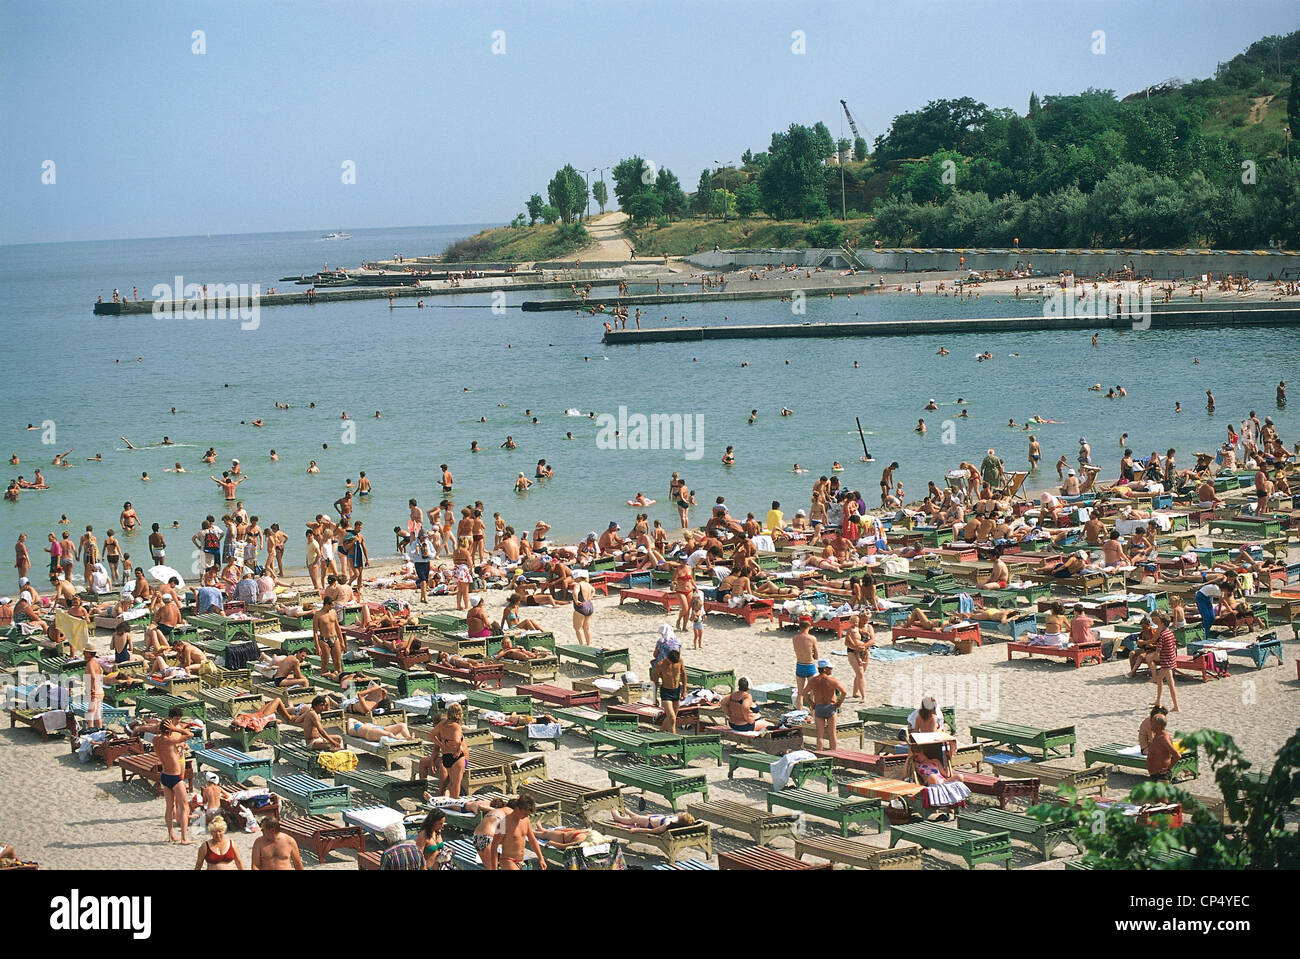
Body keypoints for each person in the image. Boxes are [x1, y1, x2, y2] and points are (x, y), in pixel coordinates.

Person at [420, 703, 467, 797]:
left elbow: (431, 736)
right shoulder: (456, 726)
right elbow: (457, 742)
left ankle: (441, 793)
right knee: (455, 784)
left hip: (455, 758)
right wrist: (433, 761)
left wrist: (442, 745)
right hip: (457, 757)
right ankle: (450, 799)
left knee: (446, 771)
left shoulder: (443, 726)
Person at [803, 660, 847, 749]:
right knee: (832, 734)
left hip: (819, 707)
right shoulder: (832, 680)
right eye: (830, 668)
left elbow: (804, 693)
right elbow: (844, 692)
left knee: (820, 735)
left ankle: (819, 754)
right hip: (830, 707)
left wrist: (811, 703)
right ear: (824, 669)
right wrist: (839, 703)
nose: (832, 669)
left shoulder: (813, 680)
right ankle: (834, 754)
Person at [498, 796, 546, 871]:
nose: (526, 816)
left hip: (520, 861)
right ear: (517, 809)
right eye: (524, 814)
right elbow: (494, 845)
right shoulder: (504, 823)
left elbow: (532, 840)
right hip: (507, 860)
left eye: (528, 814)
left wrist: (541, 858)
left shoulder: (526, 821)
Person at [1150, 609, 1179, 713]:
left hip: (1166, 661)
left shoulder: (1162, 635)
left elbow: (1158, 649)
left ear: (1162, 623)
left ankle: (1174, 706)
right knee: (1164, 681)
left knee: (1166, 682)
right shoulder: (1170, 632)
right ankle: (1159, 701)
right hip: (1171, 659)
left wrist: (1152, 658)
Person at [652, 647, 686, 733]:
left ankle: (660, 732)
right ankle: (674, 738)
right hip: (666, 692)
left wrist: (684, 690)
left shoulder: (680, 660)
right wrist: (654, 697)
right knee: (672, 718)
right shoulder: (660, 665)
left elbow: (684, 675)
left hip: (677, 690)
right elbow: (655, 682)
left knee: (673, 716)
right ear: (667, 658)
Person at [791, 616, 819, 706]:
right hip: (809, 665)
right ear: (809, 626)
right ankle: (813, 713)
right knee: (813, 692)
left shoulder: (795, 638)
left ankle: (799, 712)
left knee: (800, 693)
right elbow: (817, 656)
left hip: (799, 665)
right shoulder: (812, 638)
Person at [1145, 714, 1179, 780]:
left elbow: (1177, 755)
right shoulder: (1157, 735)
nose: (1150, 724)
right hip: (1154, 775)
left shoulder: (1164, 738)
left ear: (1159, 725)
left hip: (1162, 776)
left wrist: (1168, 769)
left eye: (1152, 722)